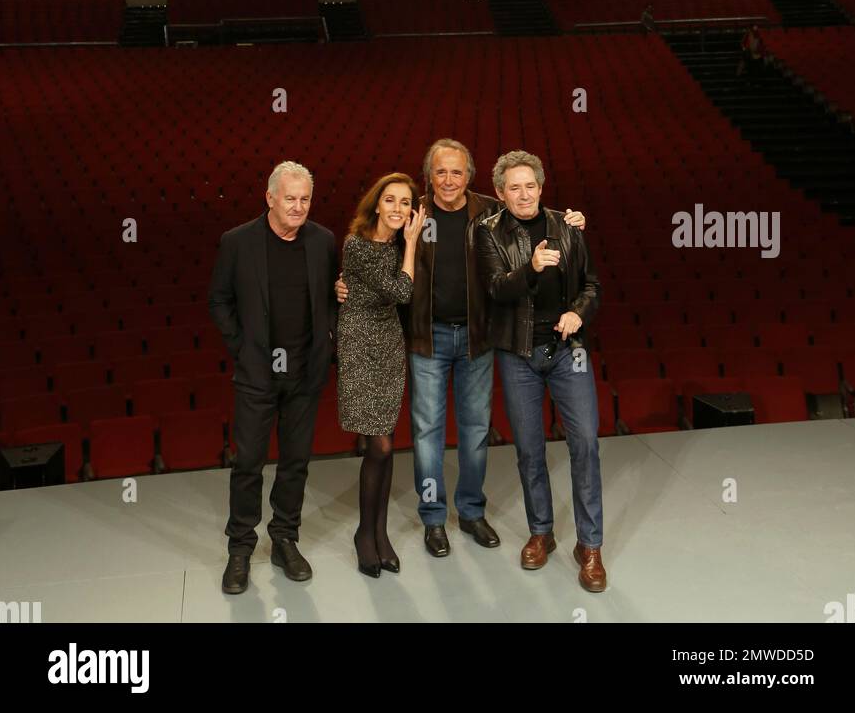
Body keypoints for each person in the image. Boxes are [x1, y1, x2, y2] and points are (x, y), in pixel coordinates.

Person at [335, 138, 586, 559]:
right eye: (440, 171)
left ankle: (470, 511)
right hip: (425, 337)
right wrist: (343, 285)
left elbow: (532, 213)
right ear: (428, 177)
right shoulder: (412, 212)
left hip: (477, 338)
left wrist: (570, 219)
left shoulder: (489, 210)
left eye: (456, 172)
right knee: (428, 433)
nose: (448, 180)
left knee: (474, 431)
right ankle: (434, 519)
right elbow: (371, 250)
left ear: (468, 176)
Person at [474, 150, 606, 592]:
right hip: (517, 354)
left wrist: (579, 314)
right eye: (514, 187)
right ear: (500, 193)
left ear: (541, 187)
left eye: (530, 185)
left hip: (569, 351)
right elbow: (495, 289)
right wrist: (528, 268)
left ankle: (590, 547)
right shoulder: (488, 231)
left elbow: (591, 285)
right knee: (530, 449)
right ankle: (542, 531)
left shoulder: (567, 226)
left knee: (585, 443)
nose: (524, 194)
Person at [208, 160, 338, 595]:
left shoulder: (323, 241)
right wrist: (243, 350)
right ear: (270, 199)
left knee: (296, 463)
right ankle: (241, 549)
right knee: (247, 464)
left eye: (304, 199)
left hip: (305, 372)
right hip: (258, 375)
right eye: (290, 199)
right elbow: (220, 300)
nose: (298, 207)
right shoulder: (238, 242)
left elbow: (330, 302)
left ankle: (285, 538)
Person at [337, 173, 426, 577]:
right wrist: (411, 245)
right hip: (360, 347)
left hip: (389, 345)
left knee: (385, 444)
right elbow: (402, 291)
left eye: (405, 203)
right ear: (377, 204)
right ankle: (364, 534)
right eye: (390, 200)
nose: (397, 209)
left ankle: (379, 533)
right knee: (382, 447)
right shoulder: (358, 246)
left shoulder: (393, 245)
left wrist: (406, 247)